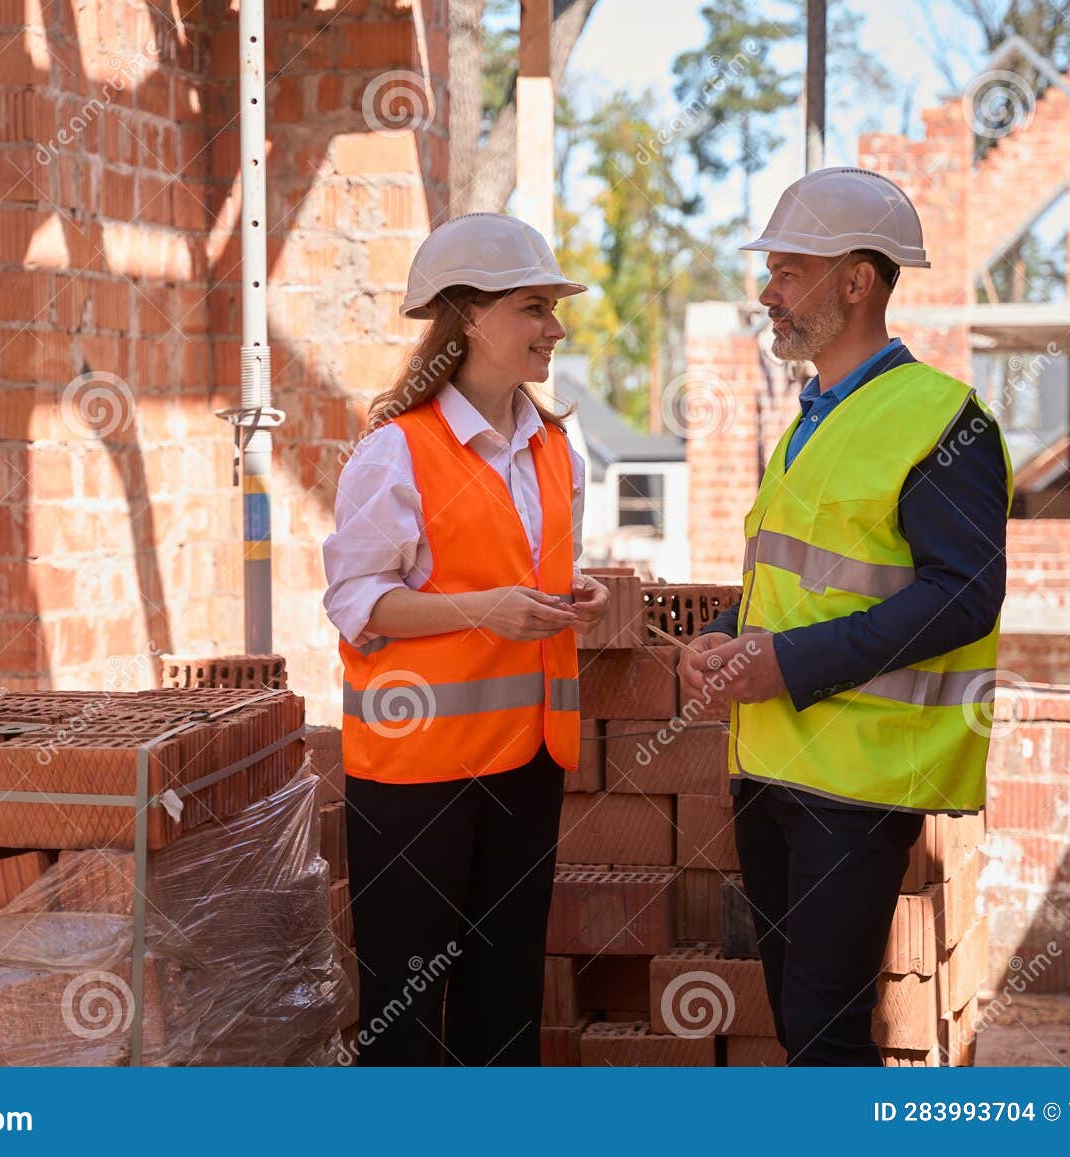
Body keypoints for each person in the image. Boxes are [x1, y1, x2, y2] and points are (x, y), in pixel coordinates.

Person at [679, 167, 1012, 1066]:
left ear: (856, 281)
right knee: (803, 1028)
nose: (767, 292)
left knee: (826, 1037)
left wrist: (787, 663)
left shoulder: (944, 420)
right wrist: (717, 636)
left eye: (788, 271)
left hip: (859, 783)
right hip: (771, 766)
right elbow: (795, 577)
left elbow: (964, 595)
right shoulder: (815, 416)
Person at [322, 212, 609, 1066]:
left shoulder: (558, 447)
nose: (554, 328)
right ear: (471, 319)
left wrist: (571, 593)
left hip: (526, 763)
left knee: (505, 997)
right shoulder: (396, 454)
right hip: (417, 775)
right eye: (535, 307)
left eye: (554, 308)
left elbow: (540, 568)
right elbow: (356, 602)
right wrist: (485, 610)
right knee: (406, 1017)